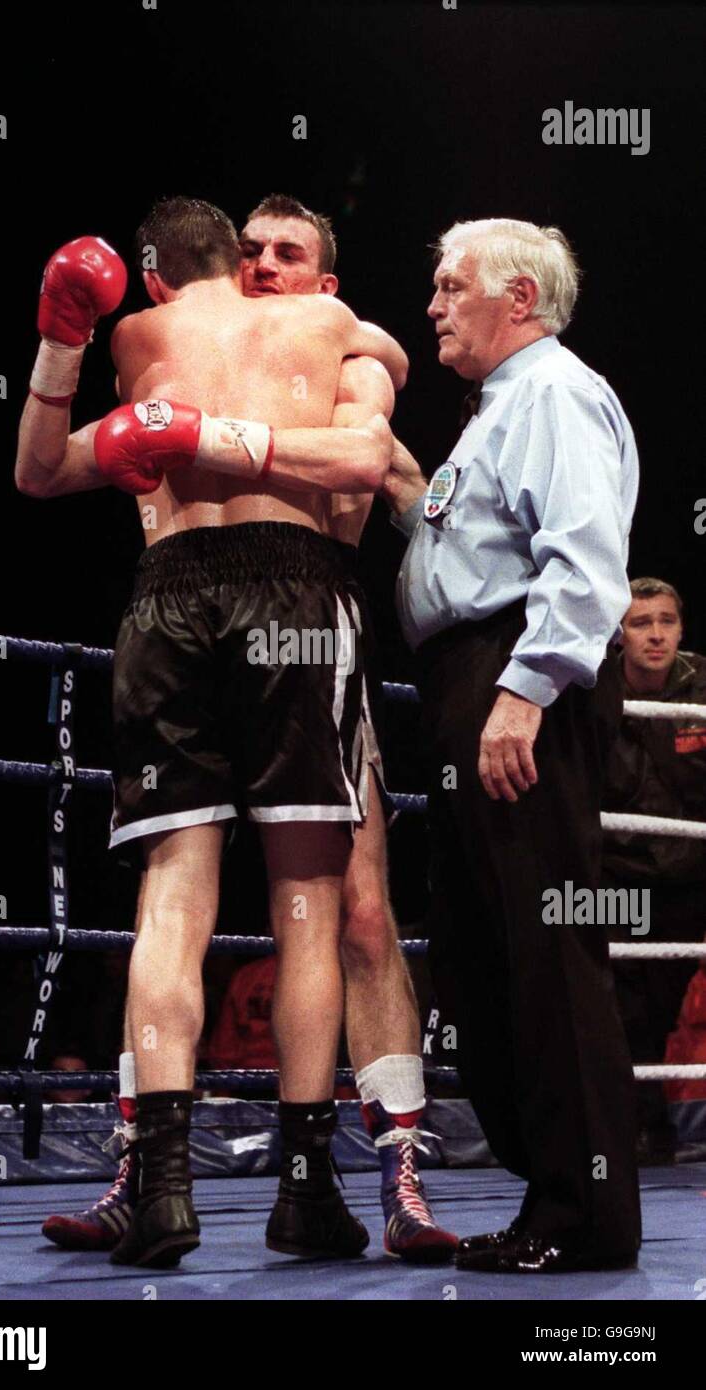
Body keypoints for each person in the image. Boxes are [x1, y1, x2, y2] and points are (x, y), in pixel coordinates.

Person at [18, 196, 450, 1268]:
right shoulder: (181, 340)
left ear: (325, 274)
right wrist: (64, 349)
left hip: (304, 602)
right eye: (249, 250)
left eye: (287, 253)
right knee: (232, 898)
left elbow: (368, 465)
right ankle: (170, 1177)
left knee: (350, 909)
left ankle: (380, 1164)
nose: (262, 267)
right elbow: (46, 470)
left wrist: (197, 433)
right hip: (236, 607)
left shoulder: (352, 343)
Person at [390, 217, 642, 1273]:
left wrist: (522, 692)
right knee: (481, 958)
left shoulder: (553, 391)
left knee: (544, 956)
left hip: (514, 680)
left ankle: (581, 1219)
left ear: (518, 300)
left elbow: (583, 558)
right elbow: (467, 548)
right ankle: (550, 1194)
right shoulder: (494, 412)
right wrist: (403, 491)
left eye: (452, 287)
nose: (435, 305)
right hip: (470, 681)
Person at [602, 577, 706, 1162]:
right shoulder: (590, 688)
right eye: (642, 623)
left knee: (665, 1006)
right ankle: (631, 1126)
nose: (657, 634)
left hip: (690, 872)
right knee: (619, 1003)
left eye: (667, 620)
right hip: (616, 872)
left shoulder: (704, 685)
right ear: (619, 633)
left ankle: (653, 1123)